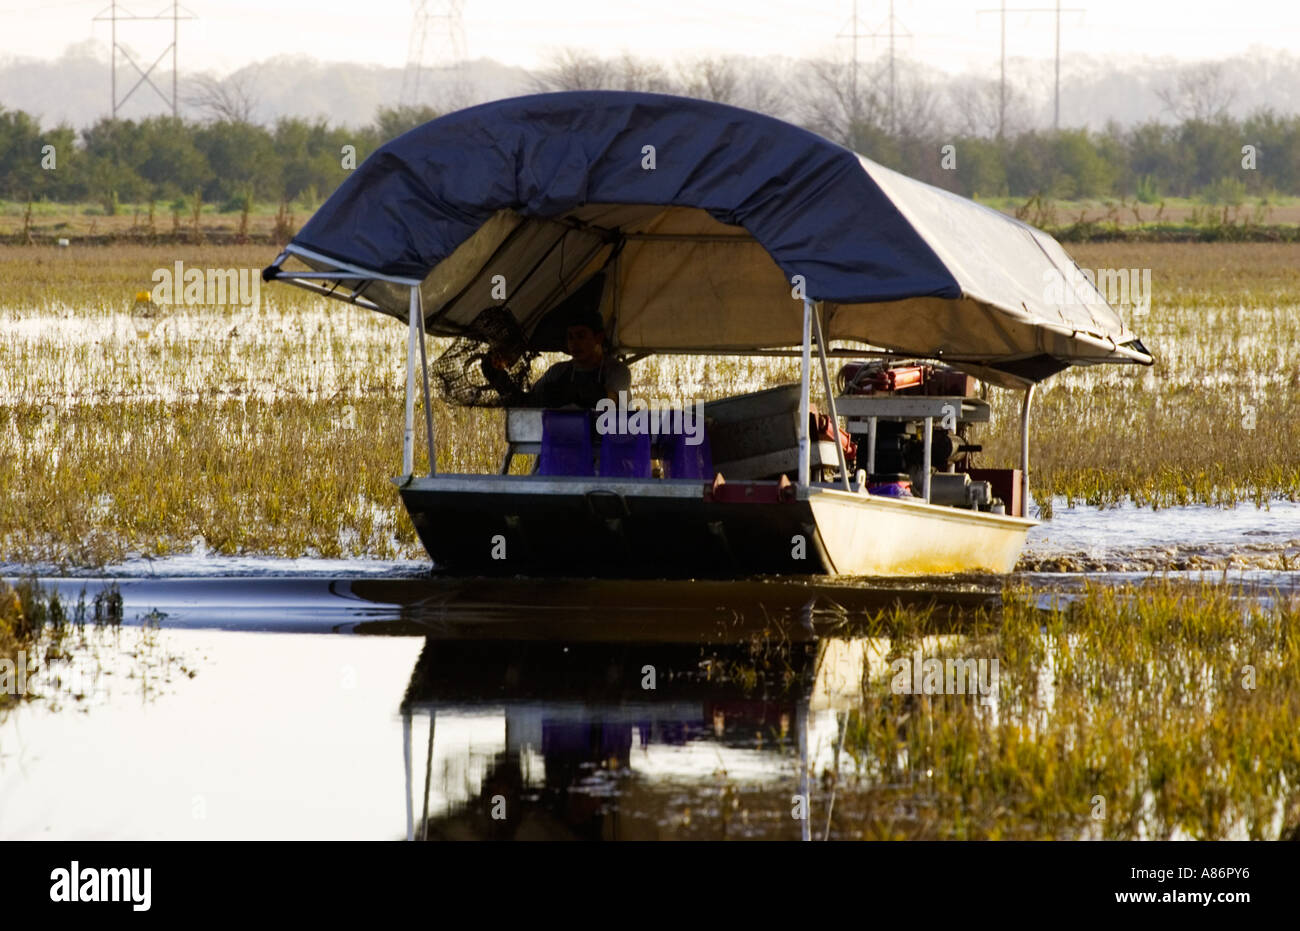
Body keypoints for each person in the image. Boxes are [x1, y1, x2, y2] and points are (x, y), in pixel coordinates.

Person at [529, 307, 631, 409]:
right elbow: (531, 398)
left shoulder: (617, 371)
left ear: (599, 337)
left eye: (581, 336)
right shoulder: (557, 372)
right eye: (570, 337)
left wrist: (576, 393)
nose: (574, 343)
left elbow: (610, 400)